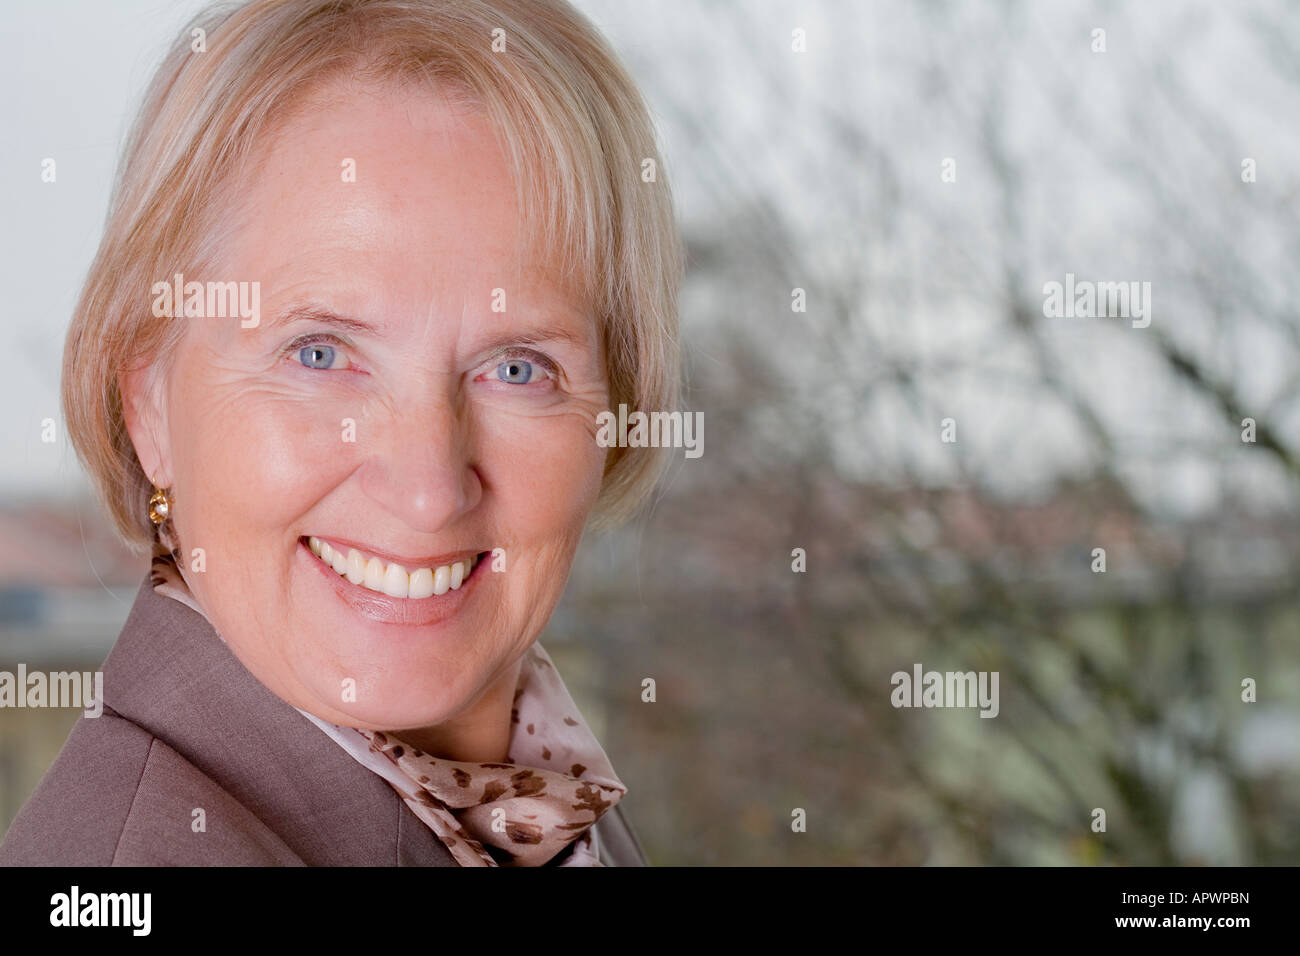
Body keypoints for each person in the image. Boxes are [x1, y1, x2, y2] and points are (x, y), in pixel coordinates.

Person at [0, 0, 683, 866]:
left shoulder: (531, 789)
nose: (430, 488)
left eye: (516, 368)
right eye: (320, 353)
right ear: (151, 405)